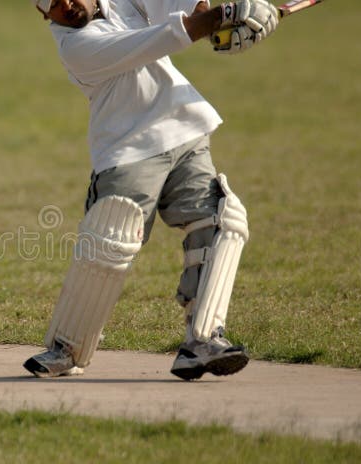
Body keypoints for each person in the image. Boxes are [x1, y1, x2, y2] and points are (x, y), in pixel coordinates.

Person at [23, 0, 278, 380]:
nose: (69, 6)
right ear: (44, 15)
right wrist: (224, 17)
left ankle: (202, 342)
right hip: (128, 147)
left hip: (185, 129)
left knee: (220, 223)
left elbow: (173, 6)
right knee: (112, 236)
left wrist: (213, 15)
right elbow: (159, 39)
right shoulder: (75, 47)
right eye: (56, 6)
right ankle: (67, 348)